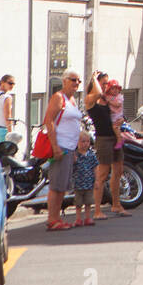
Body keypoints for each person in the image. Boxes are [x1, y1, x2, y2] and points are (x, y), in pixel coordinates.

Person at [40, 71, 85, 231]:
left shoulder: (72, 99)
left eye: (79, 80)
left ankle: (57, 218)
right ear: (65, 81)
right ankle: (52, 219)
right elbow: (49, 121)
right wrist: (55, 146)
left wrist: (73, 150)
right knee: (56, 184)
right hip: (60, 146)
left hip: (69, 148)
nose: (77, 83)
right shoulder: (58, 97)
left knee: (63, 185)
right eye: (73, 80)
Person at [88, 79, 130, 218]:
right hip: (104, 139)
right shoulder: (91, 100)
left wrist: (121, 120)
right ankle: (97, 210)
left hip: (115, 137)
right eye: (103, 83)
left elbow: (118, 112)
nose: (105, 86)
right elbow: (99, 93)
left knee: (118, 171)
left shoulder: (109, 101)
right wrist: (94, 79)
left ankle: (116, 205)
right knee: (102, 174)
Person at [70, 132, 99, 227]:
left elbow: (95, 167)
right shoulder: (75, 155)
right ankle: (78, 218)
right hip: (78, 183)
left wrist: (97, 180)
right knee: (78, 203)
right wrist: (73, 161)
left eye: (87, 141)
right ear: (77, 142)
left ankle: (87, 218)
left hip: (89, 183)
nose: (85, 144)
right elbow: (72, 168)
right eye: (83, 141)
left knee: (88, 202)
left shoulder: (91, 155)